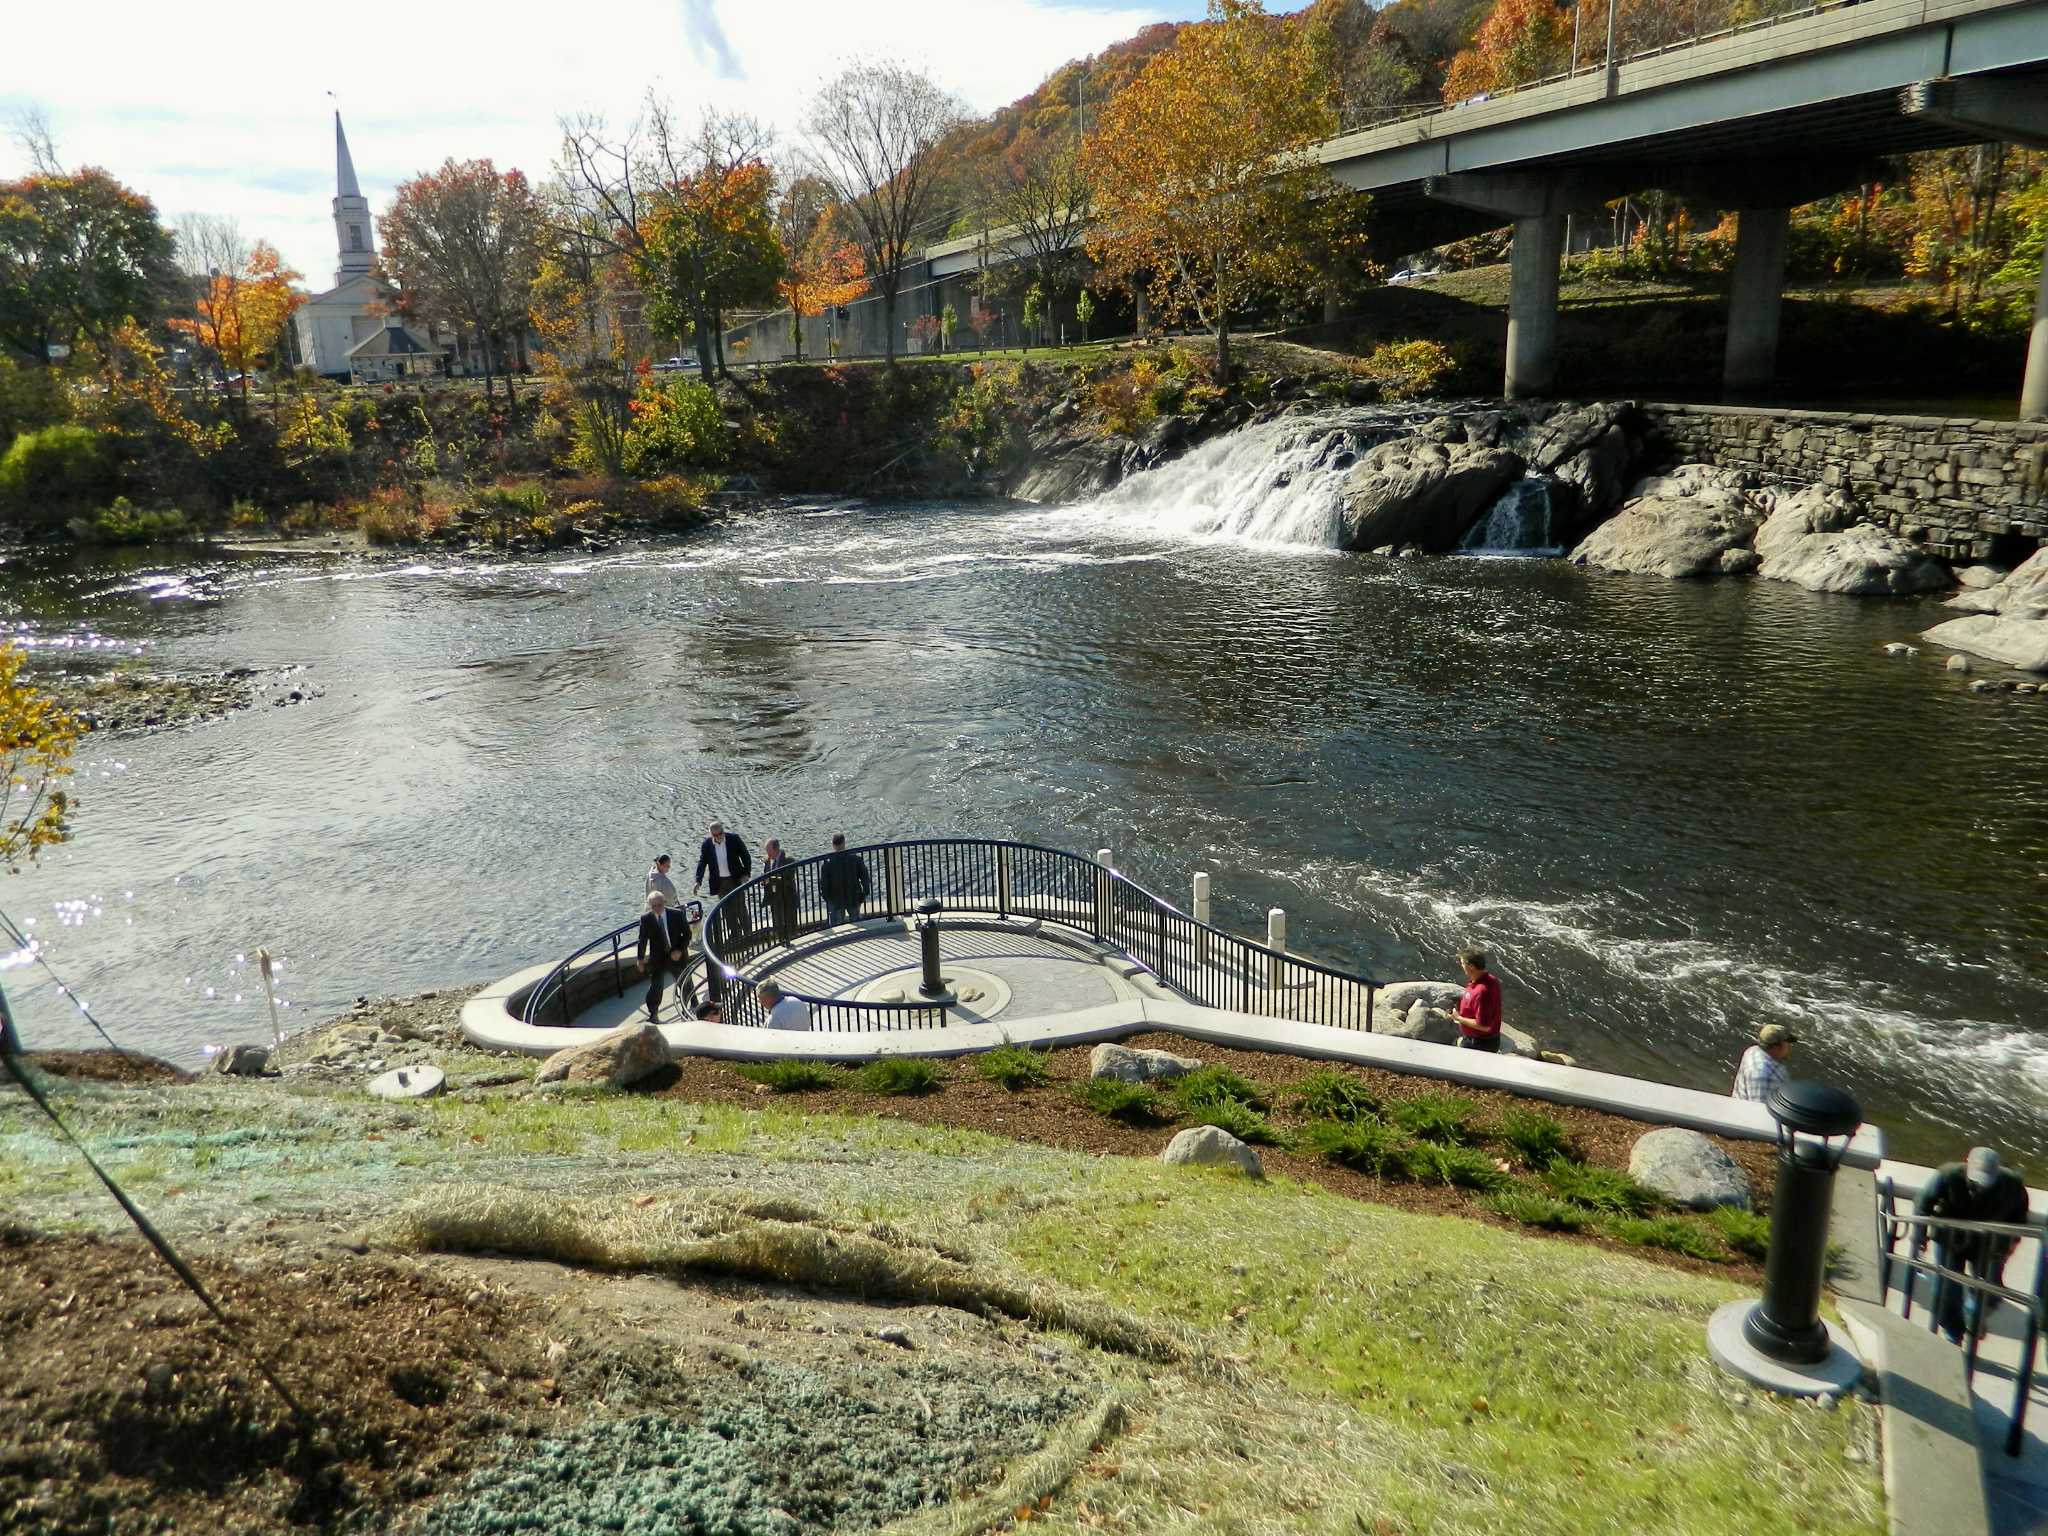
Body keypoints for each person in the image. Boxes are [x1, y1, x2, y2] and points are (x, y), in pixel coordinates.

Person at [1916, 1147, 2032, 1344]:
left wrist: (2013, 1243)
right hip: (1951, 1238)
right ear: (1966, 1162)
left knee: (1989, 1291)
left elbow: (2019, 1218)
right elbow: (1923, 1205)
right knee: (1947, 1288)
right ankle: (1954, 1331)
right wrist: (1919, 1238)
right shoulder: (1947, 1174)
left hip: (1990, 1243)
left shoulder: (2013, 1185)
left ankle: (1975, 1315)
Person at [634, 890, 690, 1024]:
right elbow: (642, 940)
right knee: (656, 987)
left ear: (664, 902)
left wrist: (680, 951)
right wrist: (640, 959)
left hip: (676, 954)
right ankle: (653, 1014)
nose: (657, 909)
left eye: (659, 905)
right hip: (658, 957)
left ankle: (689, 1009)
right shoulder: (646, 919)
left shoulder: (676, 914)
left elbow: (687, 934)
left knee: (685, 983)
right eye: (653, 906)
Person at [695, 820, 753, 946]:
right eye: (715, 835)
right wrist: (698, 881)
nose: (718, 837)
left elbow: (745, 856)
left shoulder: (733, 839)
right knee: (726, 910)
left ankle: (748, 934)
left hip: (735, 879)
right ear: (711, 835)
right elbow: (702, 863)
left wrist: (746, 874)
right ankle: (735, 934)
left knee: (740, 908)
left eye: (720, 833)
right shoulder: (707, 845)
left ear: (723, 831)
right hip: (720, 882)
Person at [1449, 947, 1502, 1052]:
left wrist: (1458, 1018)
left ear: (1471, 966)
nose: (1461, 966)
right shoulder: (1489, 979)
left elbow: (1484, 1026)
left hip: (1478, 1044)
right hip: (1481, 1039)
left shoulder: (1482, 991)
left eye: (1463, 963)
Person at [1732, 1023, 1797, 1102]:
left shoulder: (1753, 1050)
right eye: (1787, 1044)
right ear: (1775, 1047)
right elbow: (1759, 1109)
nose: (1789, 1047)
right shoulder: (1764, 1076)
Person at [818, 834, 871, 927]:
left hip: (836, 899)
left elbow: (824, 884)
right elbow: (864, 876)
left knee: (837, 926)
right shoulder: (855, 859)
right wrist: (865, 892)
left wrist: (827, 898)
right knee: (857, 922)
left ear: (833, 845)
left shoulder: (828, 863)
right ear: (844, 843)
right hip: (853, 896)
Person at [759, 838, 798, 945]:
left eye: (769, 851)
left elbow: (787, 877)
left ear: (776, 849)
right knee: (778, 923)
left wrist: (770, 879)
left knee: (790, 922)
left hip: (787, 897)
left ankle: (792, 941)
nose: (767, 853)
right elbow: (765, 876)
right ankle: (781, 942)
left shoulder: (788, 860)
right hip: (774, 898)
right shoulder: (767, 861)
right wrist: (763, 881)